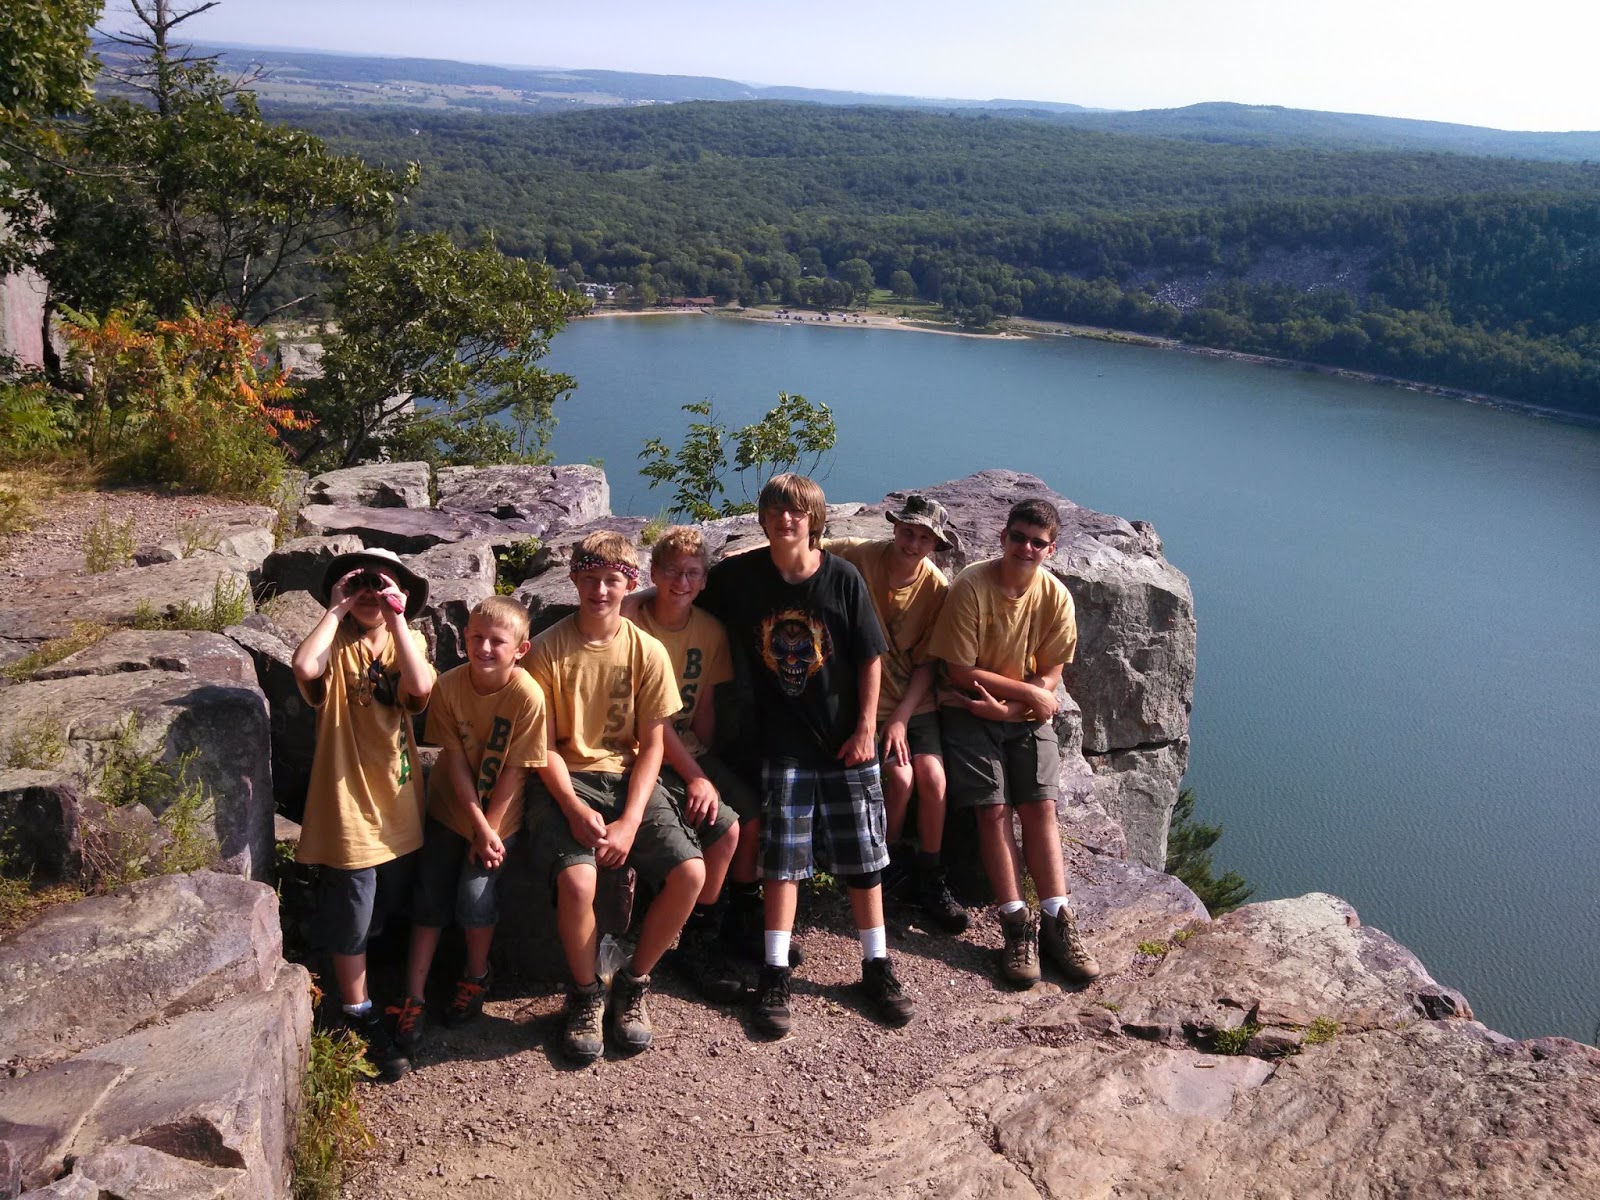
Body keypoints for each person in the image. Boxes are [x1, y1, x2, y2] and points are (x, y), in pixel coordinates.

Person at [699, 473, 916, 1037]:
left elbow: (871, 657)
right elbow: (685, 593)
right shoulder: (741, 577)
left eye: (795, 512)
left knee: (864, 858)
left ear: (814, 521)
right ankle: (775, 975)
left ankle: (876, 965)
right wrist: (629, 597)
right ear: (764, 518)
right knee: (783, 859)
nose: (784, 519)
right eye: (774, 510)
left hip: (845, 740)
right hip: (783, 745)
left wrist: (867, 727)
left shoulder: (842, 579)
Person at [525, 531, 705, 1063]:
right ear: (575, 580)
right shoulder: (547, 649)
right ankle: (584, 994)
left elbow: (652, 746)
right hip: (568, 780)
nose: (600, 590)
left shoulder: (646, 651)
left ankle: (634, 981)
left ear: (629, 583)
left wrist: (629, 822)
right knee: (578, 880)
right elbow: (544, 749)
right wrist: (573, 808)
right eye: (590, 579)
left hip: (627, 778)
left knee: (689, 873)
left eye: (612, 580)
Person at [927, 498, 1101, 989]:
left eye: (1037, 542)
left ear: (1051, 548)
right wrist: (1025, 693)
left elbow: (1052, 675)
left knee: (1041, 806)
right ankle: (1015, 923)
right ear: (1003, 536)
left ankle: (1057, 919)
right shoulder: (971, 587)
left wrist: (1012, 707)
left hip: (1017, 716)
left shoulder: (1055, 597)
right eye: (1019, 537)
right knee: (992, 810)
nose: (1026, 548)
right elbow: (958, 672)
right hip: (965, 709)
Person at [291, 546, 436, 1082]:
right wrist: (334, 609)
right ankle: (356, 1012)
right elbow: (305, 667)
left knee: (383, 907)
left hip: (397, 798)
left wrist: (397, 617)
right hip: (346, 797)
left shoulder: (410, 640)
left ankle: (372, 988)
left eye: (383, 584)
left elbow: (418, 688)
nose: (371, 593)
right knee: (354, 908)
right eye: (362, 584)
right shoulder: (335, 641)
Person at [390, 596, 547, 1055]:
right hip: (451, 811)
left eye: (497, 641)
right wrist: (477, 825)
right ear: (463, 639)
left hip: (501, 817)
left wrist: (489, 830)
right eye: (476, 637)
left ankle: (476, 975)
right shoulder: (450, 686)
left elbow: (517, 770)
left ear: (520, 648)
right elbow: (453, 761)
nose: (484, 647)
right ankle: (413, 994)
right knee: (430, 897)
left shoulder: (527, 695)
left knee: (475, 897)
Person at [827, 495, 967, 934]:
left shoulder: (937, 590)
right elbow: (809, 551)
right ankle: (880, 871)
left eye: (924, 538)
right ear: (895, 528)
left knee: (934, 778)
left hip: (912, 699)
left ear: (934, 545)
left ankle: (930, 874)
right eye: (908, 531)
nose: (913, 543)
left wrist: (903, 718)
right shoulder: (859, 555)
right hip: (864, 697)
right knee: (902, 778)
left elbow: (927, 664)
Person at [622, 526, 749, 1002]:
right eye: (671, 571)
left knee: (750, 821)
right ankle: (696, 944)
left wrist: (707, 767)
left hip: (690, 750)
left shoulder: (708, 631)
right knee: (728, 829)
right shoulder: (632, 624)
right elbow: (649, 721)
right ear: (653, 573)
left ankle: (724, 929)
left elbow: (707, 707)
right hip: (647, 749)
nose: (681, 581)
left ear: (703, 581)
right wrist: (696, 777)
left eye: (692, 573)